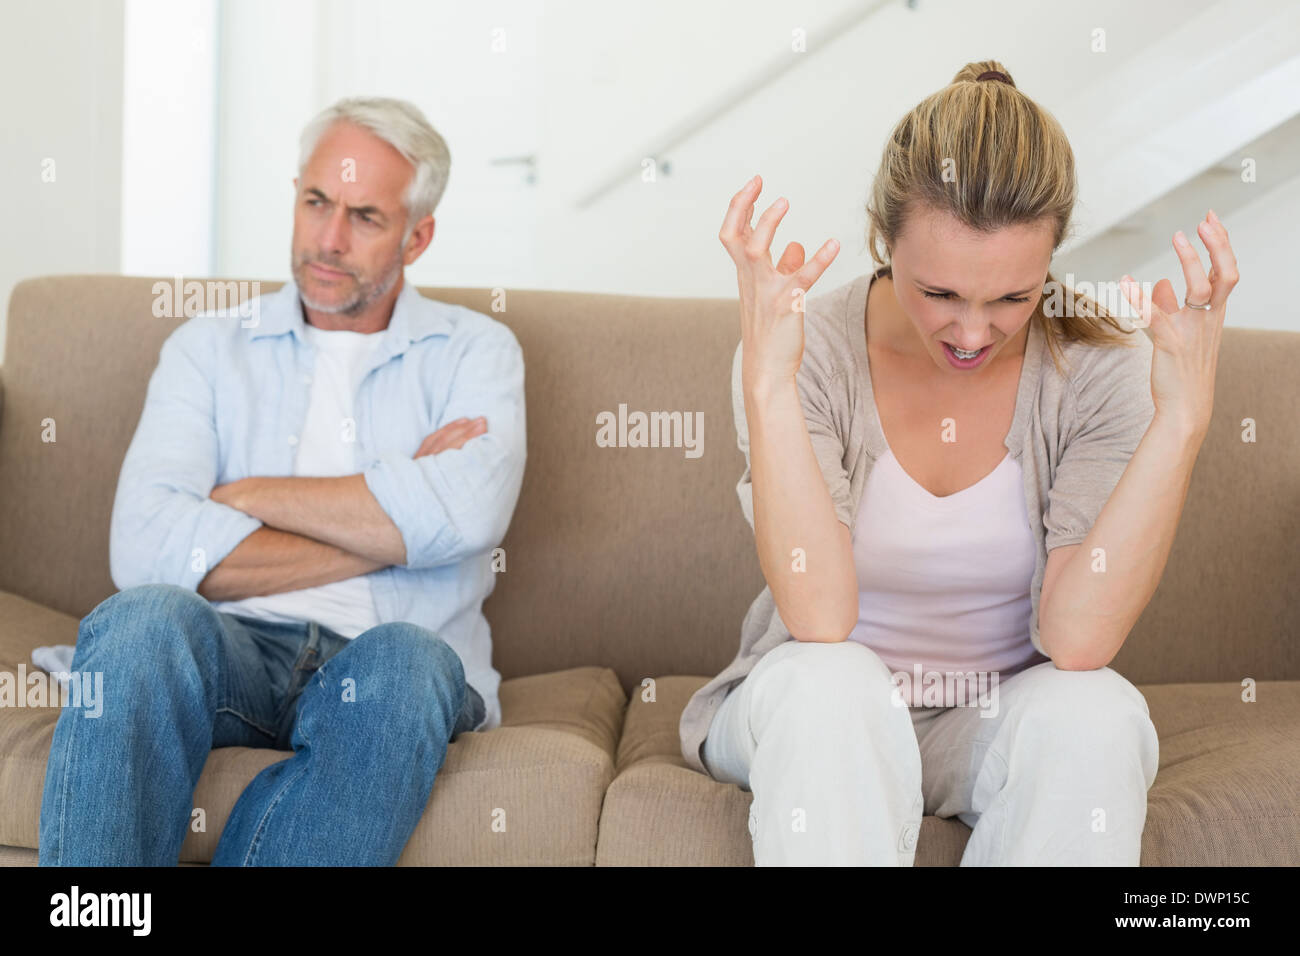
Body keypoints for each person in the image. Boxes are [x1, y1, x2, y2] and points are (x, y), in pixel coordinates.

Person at [678, 61, 1239, 865]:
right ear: (883, 240)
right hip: (812, 713)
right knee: (832, 689)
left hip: (988, 718)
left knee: (1097, 712)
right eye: (939, 292)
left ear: (1051, 264)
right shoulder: (808, 349)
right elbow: (820, 617)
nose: (972, 335)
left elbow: (1077, 638)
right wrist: (768, 380)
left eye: (1012, 298)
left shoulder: (1100, 371)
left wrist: (1182, 421)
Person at [39, 97, 527, 866]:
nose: (329, 241)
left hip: (383, 658)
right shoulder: (207, 347)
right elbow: (144, 545)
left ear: (418, 235)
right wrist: (399, 522)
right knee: (142, 619)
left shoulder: (476, 351)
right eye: (315, 203)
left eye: (365, 216)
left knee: (409, 663)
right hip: (229, 645)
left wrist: (248, 495)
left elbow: (467, 516)